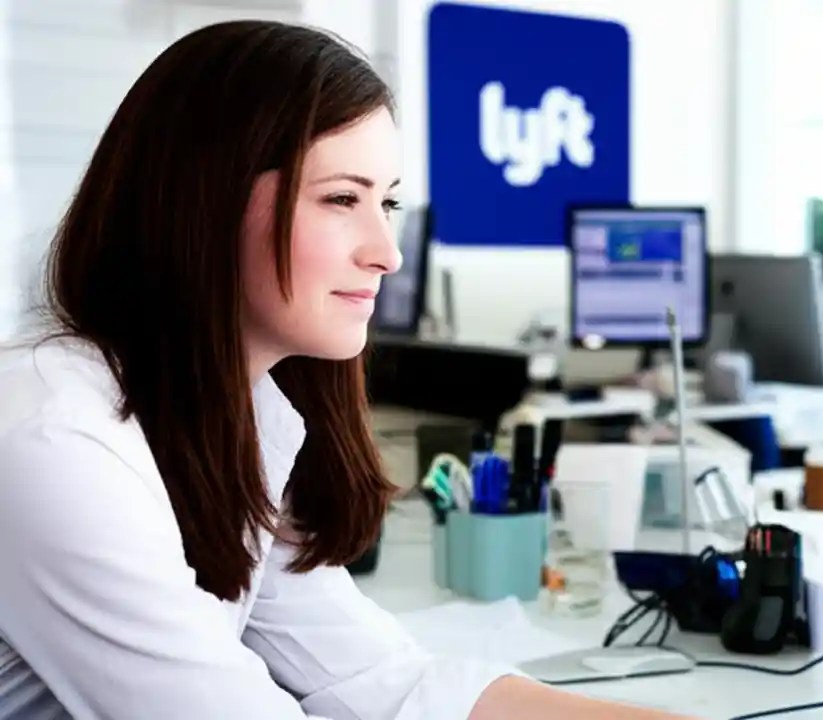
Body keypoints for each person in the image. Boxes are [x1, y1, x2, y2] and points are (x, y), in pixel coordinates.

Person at [0, 21, 692, 720]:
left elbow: (388, 683)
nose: (387, 253)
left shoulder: (230, 417)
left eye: (386, 202)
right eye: (341, 199)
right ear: (205, 203)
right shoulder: (53, 441)